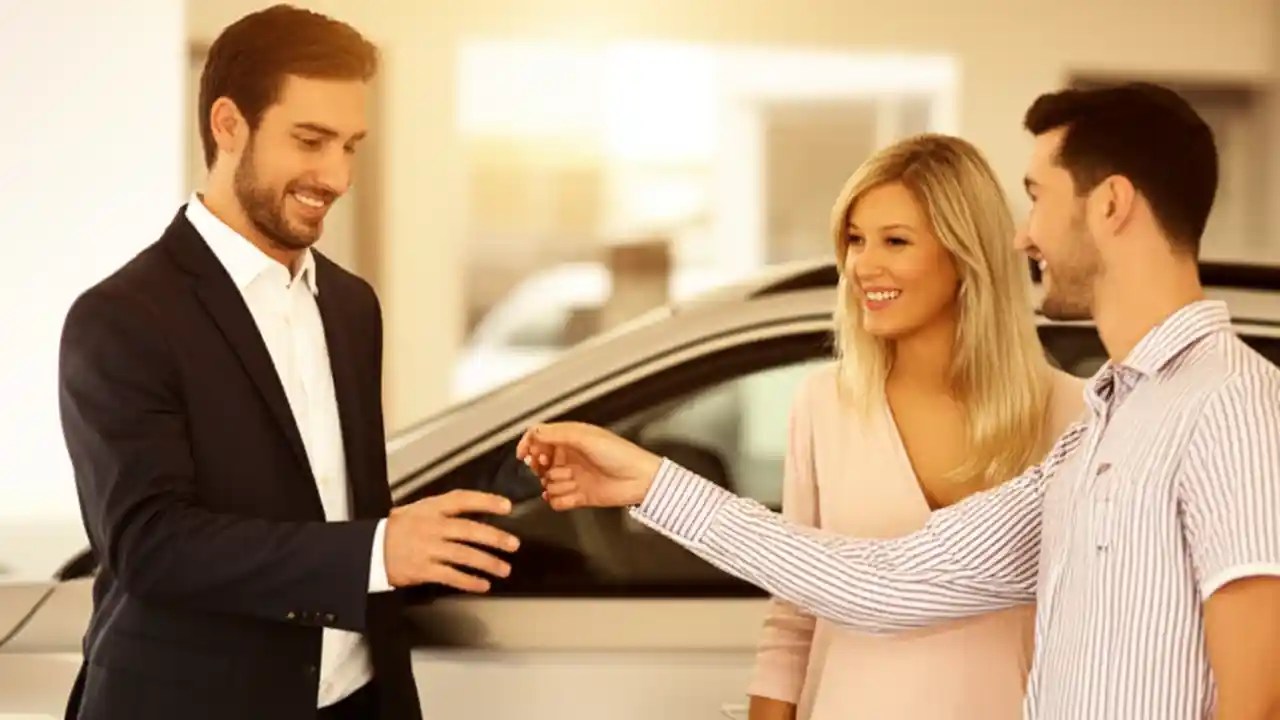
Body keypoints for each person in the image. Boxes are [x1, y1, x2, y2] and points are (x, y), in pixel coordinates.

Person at [518, 83, 1280, 720]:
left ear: (1110, 204)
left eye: (1037, 198)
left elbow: (1260, 694)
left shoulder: (1230, 401)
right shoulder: (1105, 427)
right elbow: (885, 582)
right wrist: (650, 481)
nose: (1023, 237)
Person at [57, 6, 519, 720]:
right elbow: (150, 546)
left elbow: (333, 510)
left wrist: (516, 478)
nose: (337, 175)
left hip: (358, 700)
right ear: (228, 125)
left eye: (351, 145)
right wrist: (376, 552)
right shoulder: (121, 318)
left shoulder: (351, 305)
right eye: (310, 140)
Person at [736, 134, 1084, 720]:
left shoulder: (1071, 413)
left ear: (965, 253)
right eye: (855, 240)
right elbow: (793, 618)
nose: (862, 265)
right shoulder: (824, 404)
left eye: (895, 241)